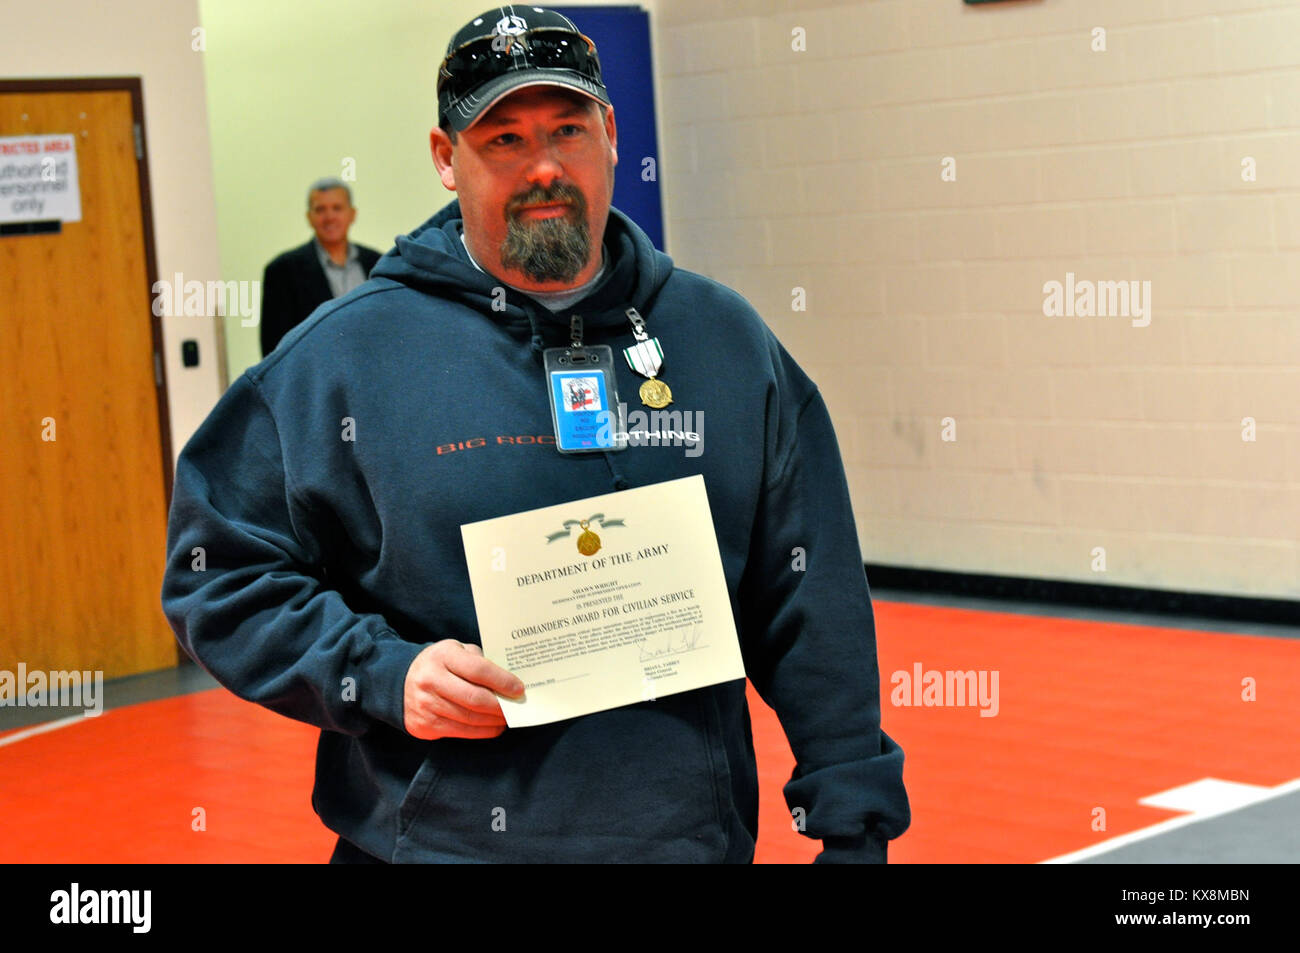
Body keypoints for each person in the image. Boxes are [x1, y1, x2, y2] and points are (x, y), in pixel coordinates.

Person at [161, 7, 909, 864]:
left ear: (612, 135)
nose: (545, 167)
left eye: (567, 129)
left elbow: (813, 604)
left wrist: (853, 823)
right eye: (503, 140)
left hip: (683, 847)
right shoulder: (343, 359)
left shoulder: (726, 344)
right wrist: (379, 672)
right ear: (446, 159)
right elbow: (215, 573)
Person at [258, 178, 382, 356]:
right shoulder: (282, 272)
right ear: (309, 217)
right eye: (320, 209)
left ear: (352, 214)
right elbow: (274, 350)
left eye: (337, 208)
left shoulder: (377, 262)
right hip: (315, 380)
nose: (329, 217)